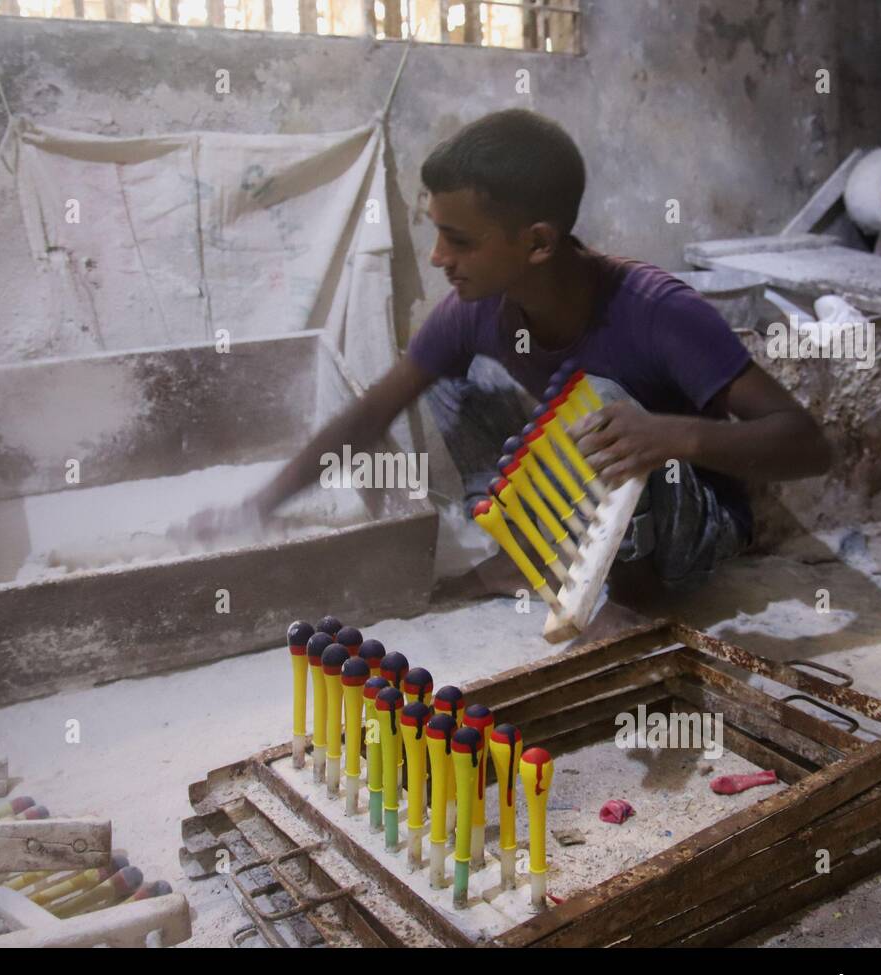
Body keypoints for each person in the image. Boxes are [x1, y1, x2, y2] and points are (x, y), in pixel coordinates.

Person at [197, 108, 831, 603]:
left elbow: (808, 445)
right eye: (437, 235)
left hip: (691, 531)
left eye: (459, 240)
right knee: (452, 377)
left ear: (537, 243)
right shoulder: (475, 309)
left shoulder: (659, 310)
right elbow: (372, 412)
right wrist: (260, 506)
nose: (439, 258)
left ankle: (622, 600)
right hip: (593, 506)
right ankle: (525, 554)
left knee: (601, 401)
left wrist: (674, 435)